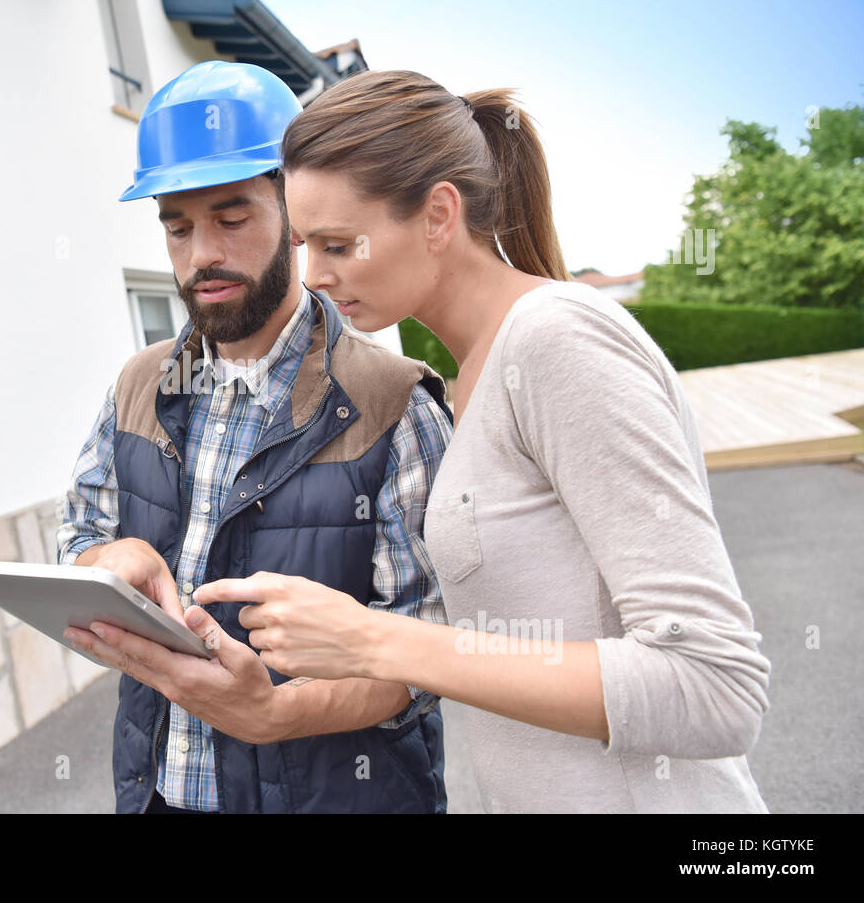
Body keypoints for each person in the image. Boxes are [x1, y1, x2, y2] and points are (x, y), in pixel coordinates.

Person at [195, 70, 772, 813]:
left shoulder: (556, 339)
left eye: (338, 243)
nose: (315, 277)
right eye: (305, 245)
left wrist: (375, 639)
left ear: (438, 215)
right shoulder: (471, 375)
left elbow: (715, 685)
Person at [55, 61, 456, 813]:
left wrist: (278, 715)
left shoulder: (393, 405)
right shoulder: (137, 389)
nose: (201, 252)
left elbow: (429, 654)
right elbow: (76, 535)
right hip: (157, 797)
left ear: (294, 216)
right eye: (178, 226)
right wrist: (106, 558)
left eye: (231, 219)